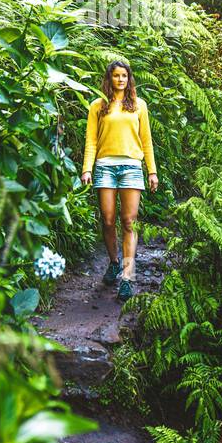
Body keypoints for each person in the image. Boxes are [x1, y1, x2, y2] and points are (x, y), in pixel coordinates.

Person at [80, 59, 158, 302]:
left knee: (128, 222)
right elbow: (91, 140)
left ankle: (127, 276)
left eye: (124, 75)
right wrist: (87, 168)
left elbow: (146, 141)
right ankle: (114, 262)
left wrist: (152, 171)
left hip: (132, 167)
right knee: (108, 218)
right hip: (104, 167)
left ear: (129, 78)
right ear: (109, 78)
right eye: (116, 76)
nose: (120, 79)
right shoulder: (97, 105)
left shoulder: (139, 105)